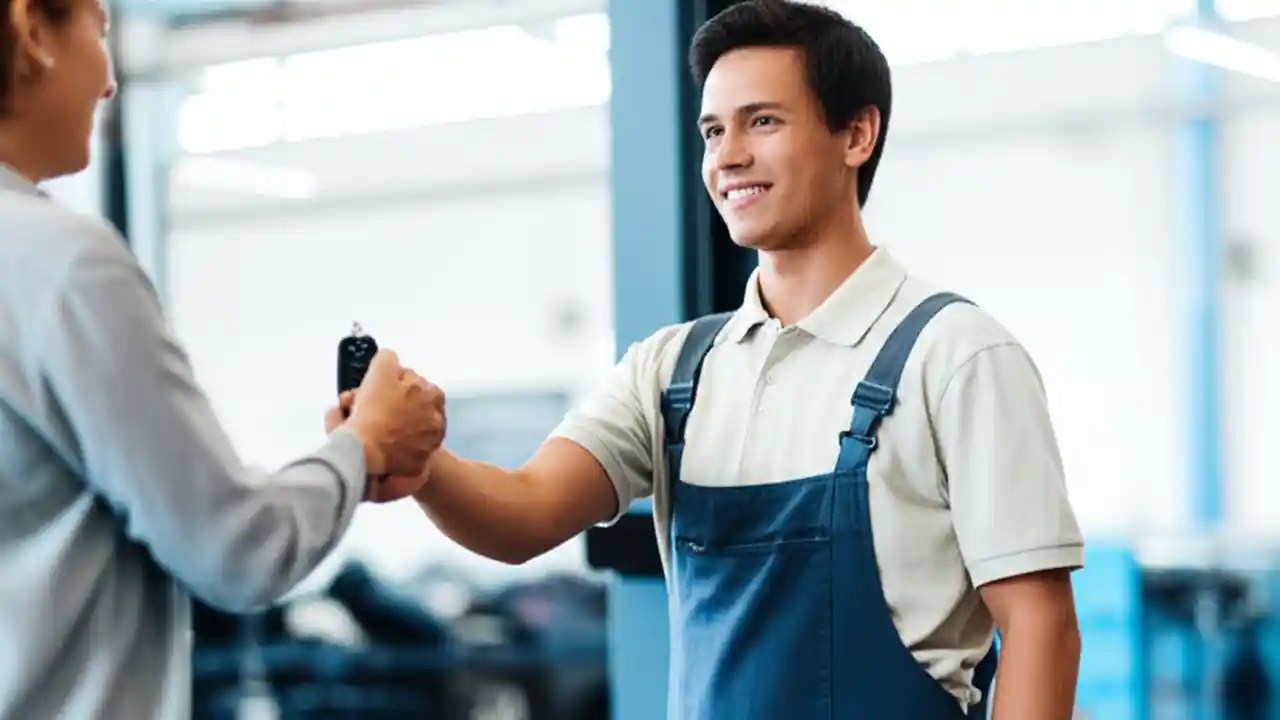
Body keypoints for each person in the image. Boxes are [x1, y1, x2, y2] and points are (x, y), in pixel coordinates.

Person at [367, 1, 1083, 718]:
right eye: (714, 130)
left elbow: (1040, 624)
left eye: (762, 121)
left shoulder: (956, 355)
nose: (728, 155)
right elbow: (525, 513)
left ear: (856, 134)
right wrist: (423, 466)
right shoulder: (673, 370)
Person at [0, 1, 447, 718]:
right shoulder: (60, 264)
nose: (110, 82)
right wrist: (365, 445)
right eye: (101, 31)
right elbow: (240, 550)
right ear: (30, 31)